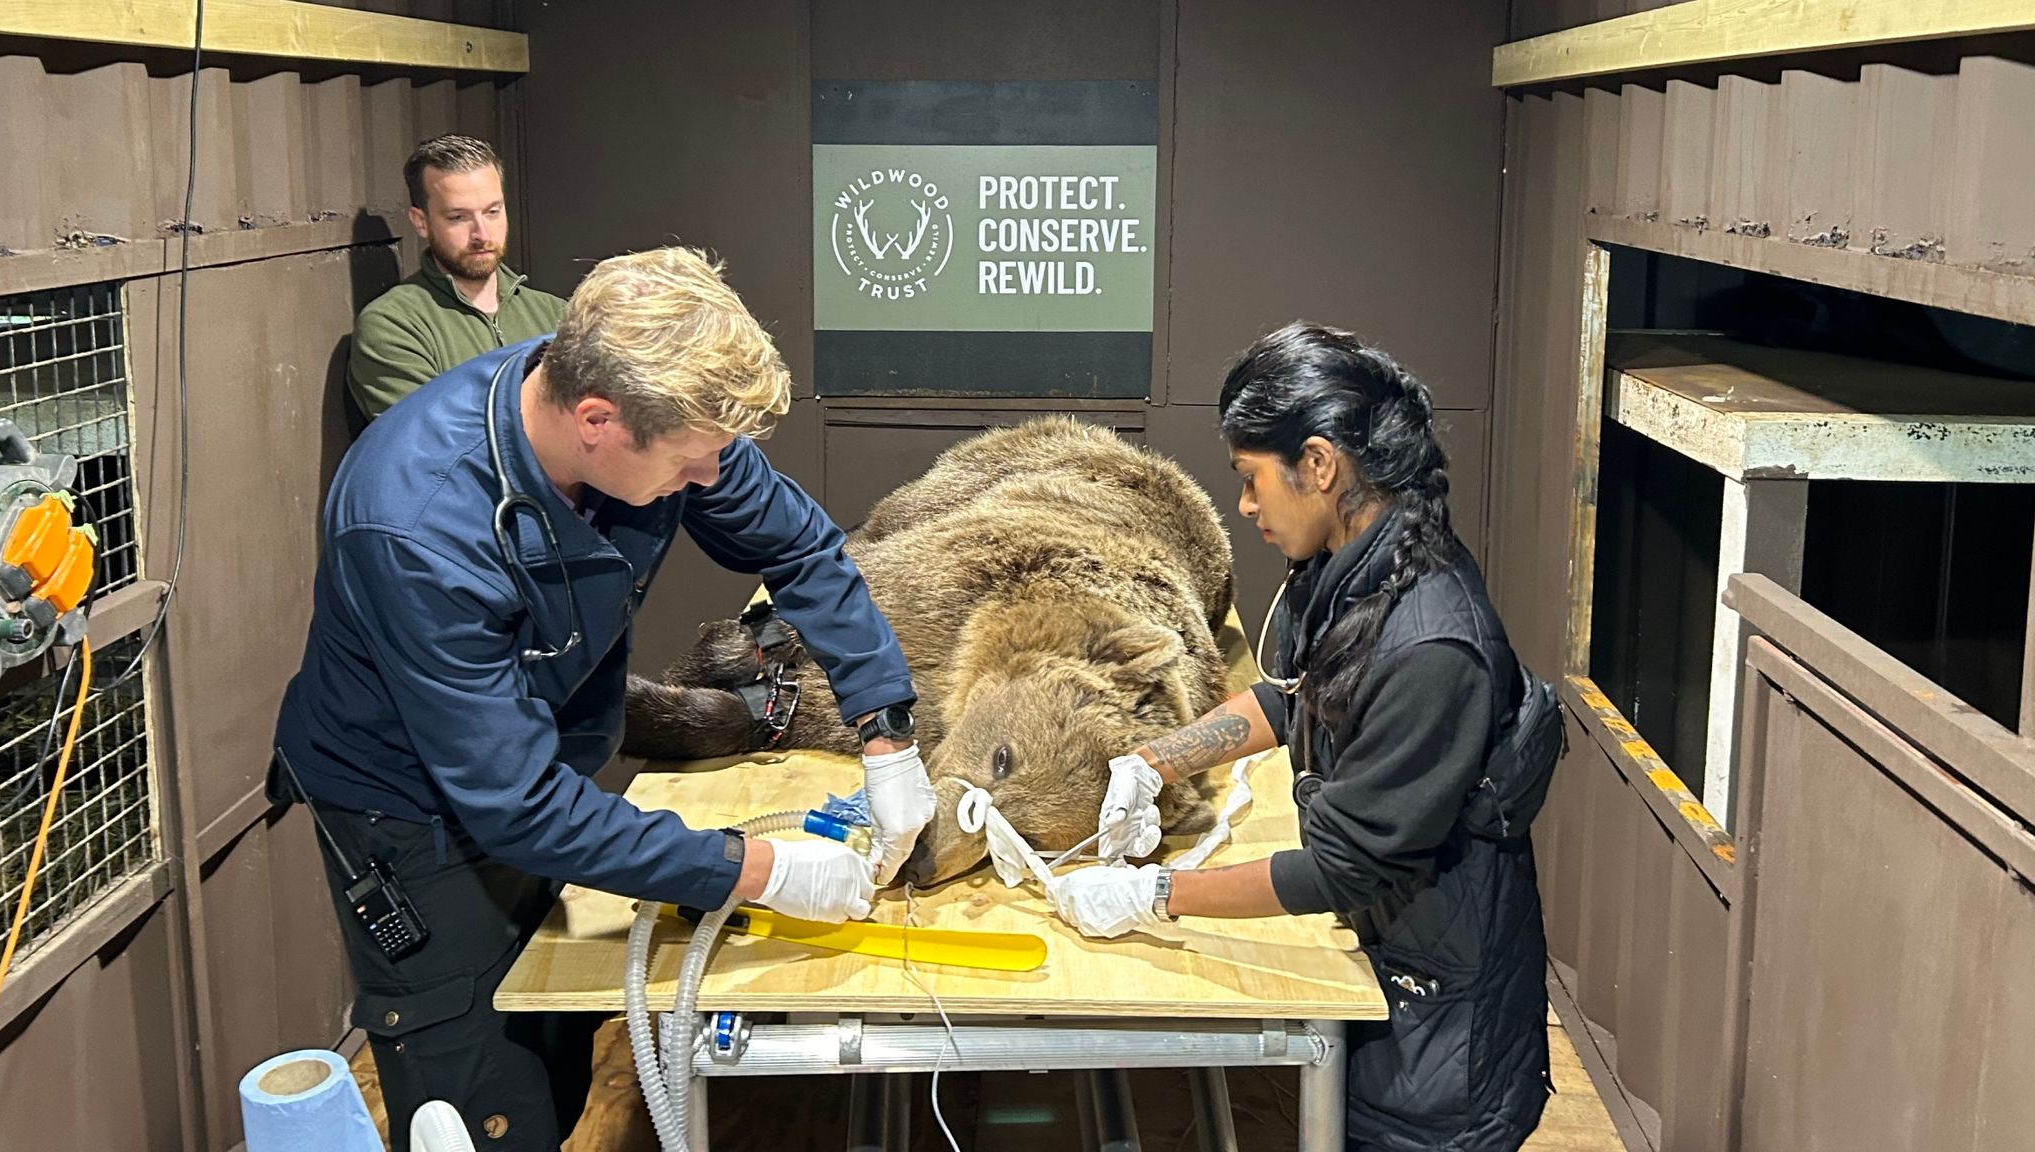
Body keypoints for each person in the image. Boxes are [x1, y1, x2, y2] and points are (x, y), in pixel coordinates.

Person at [274, 246, 935, 1152]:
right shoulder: (416, 526)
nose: (708, 482)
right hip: (409, 813)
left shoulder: (649, 399)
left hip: (535, 761)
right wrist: (762, 871)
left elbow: (803, 551)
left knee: (556, 1033)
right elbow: (515, 806)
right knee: (482, 1095)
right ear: (597, 422)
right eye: (691, 465)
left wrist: (885, 731)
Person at [1051, 323, 1552, 1151]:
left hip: (1438, 1027)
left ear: (1319, 465)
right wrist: (1149, 763)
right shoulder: (1354, 565)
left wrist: (1156, 897)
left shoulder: (1435, 647)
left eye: (1251, 480)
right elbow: (1296, 699)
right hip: (1385, 955)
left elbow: (1346, 865)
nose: (1245, 506)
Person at [347, 134, 567, 421]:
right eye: (458, 218)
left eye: (492, 212)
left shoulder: (555, 313)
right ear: (421, 222)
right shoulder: (394, 325)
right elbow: (434, 443)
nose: (482, 235)